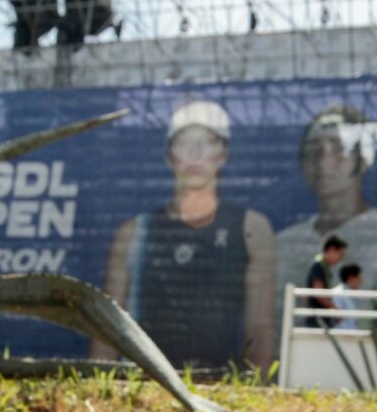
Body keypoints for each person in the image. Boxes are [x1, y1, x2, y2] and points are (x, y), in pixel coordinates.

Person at [92, 100, 276, 369]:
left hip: (222, 388)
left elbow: (260, 331)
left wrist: (255, 396)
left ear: (223, 155)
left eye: (208, 142)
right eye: (184, 142)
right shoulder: (133, 233)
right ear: (170, 156)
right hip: (144, 387)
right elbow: (107, 331)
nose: (196, 153)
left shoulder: (252, 228)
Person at [274, 104, 377, 325]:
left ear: (364, 158)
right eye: (313, 152)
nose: (324, 163)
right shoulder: (284, 244)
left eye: (339, 149)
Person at [303, 235, 348, 328]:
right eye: (340, 255)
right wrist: (335, 308)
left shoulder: (325, 268)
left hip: (322, 318)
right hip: (317, 321)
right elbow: (319, 293)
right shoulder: (318, 266)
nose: (340, 259)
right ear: (331, 250)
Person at [331, 263, 363, 330]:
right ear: (351, 278)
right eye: (359, 277)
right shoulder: (338, 293)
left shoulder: (352, 294)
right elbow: (336, 317)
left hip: (351, 336)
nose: (361, 281)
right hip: (342, 335)